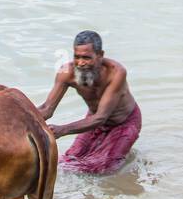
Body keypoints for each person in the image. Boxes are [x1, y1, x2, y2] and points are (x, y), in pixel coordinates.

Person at [37, 30, 141, 174]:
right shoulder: (66, 72)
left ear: (100, 55)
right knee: (68, 162)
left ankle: (131, 162)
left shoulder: (116, 72)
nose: (80, 63)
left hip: (123, 123)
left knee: (103, 169)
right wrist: (19, 121)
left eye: (86, 57)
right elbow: (47, 108)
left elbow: (101, 117)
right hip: (92, 121)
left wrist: (62, 130)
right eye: (77, 57)